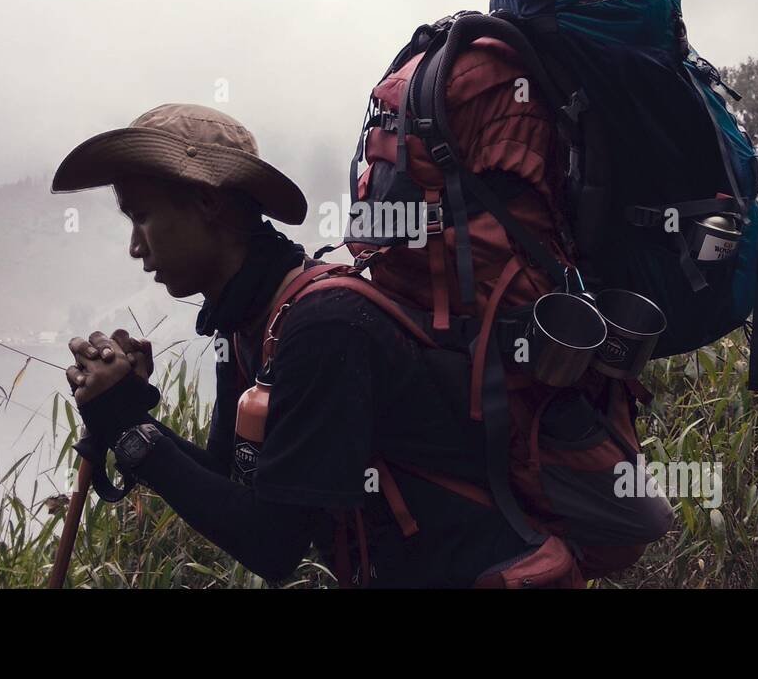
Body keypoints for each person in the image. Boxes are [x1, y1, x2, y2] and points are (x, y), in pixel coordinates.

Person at [51, 102, 533, 587]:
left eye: (143, 216)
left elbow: (272, 544)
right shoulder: (247, 322)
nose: (136, 245)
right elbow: (225, 480)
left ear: (207, 202)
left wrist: (129, 428)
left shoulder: (322, 327)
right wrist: (127, 416)